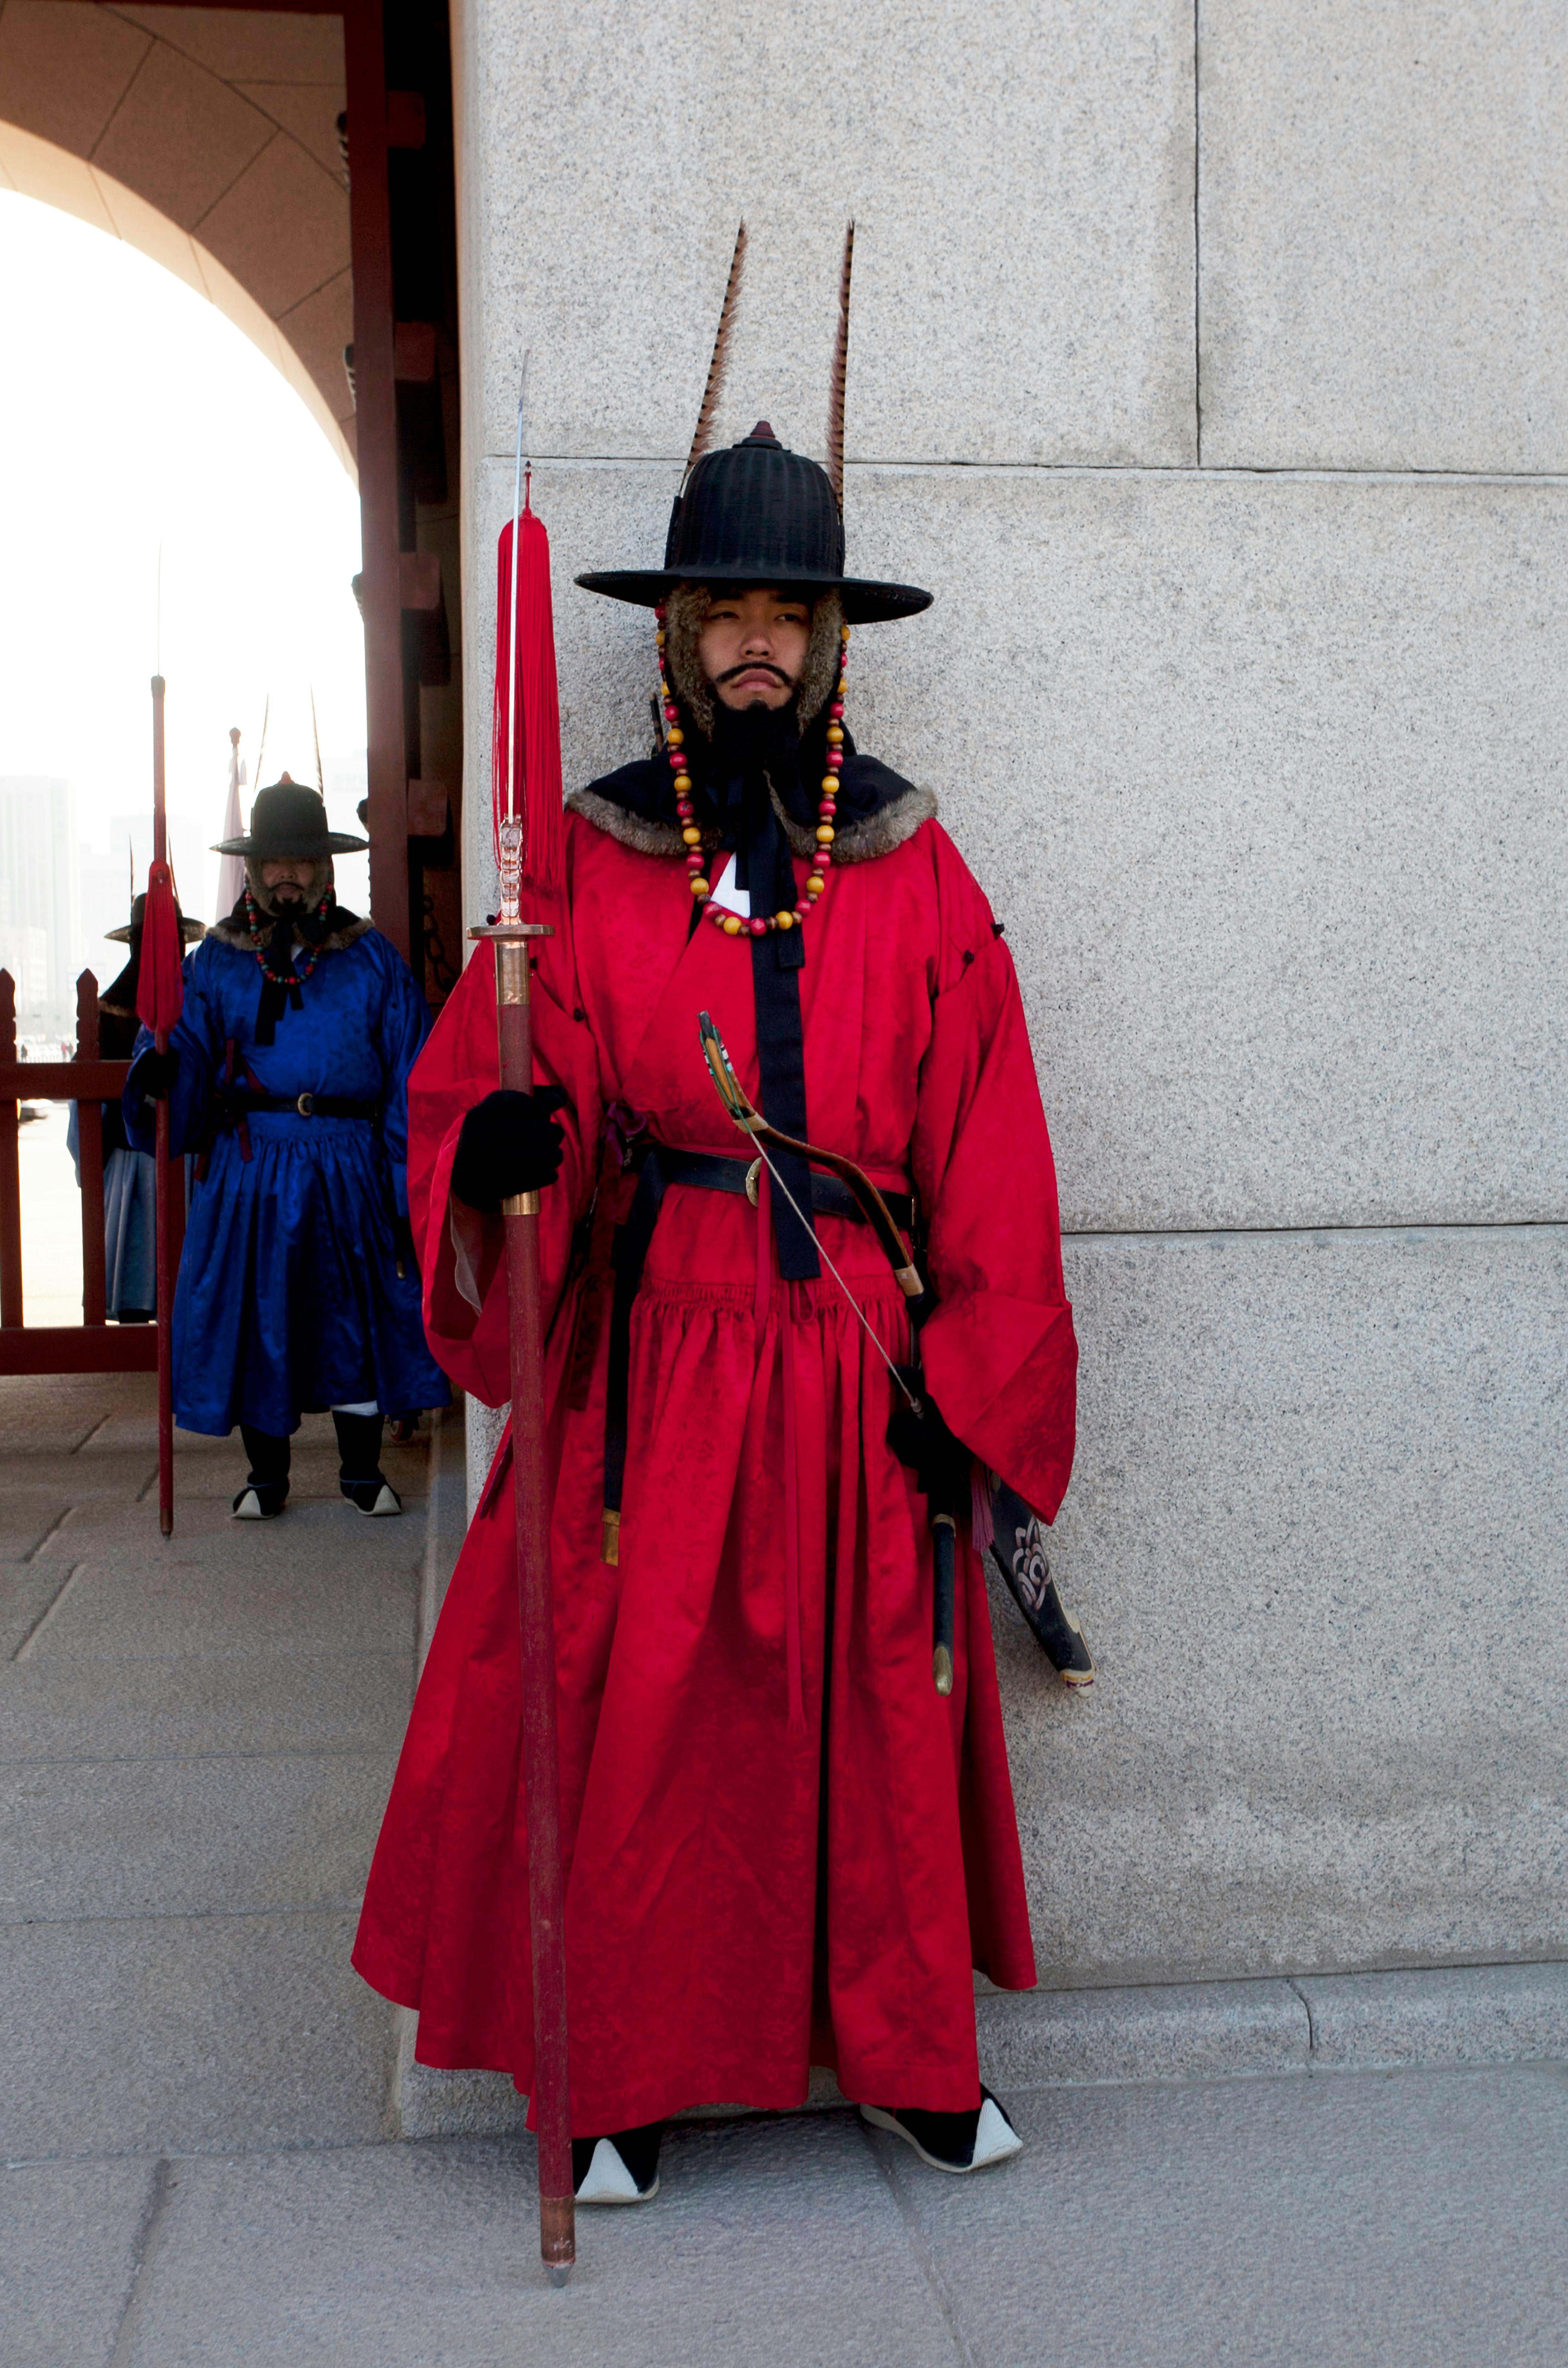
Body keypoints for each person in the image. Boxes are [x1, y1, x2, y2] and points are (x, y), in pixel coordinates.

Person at [353, 416, 1079, 2198]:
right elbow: (494, 1095)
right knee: (653, 1721)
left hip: (860, 1363)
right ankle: (619, 2072)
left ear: (829, 644)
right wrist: (500, 1153)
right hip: (658, 1358)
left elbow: (992, 1145)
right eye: (724, 612)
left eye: (787, 615)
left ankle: (911, 2060)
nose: (756, 642)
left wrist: (970, 1378)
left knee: (882, 1713)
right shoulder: (586, 861)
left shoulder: (917, 864)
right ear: (673, 634)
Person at [124, 776, 449, 1516]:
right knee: (259, 1316)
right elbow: (183, 1050)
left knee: (352, 1315)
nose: (286, 875)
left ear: (325, 866)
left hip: (351, 1162)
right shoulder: (215, 961)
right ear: (253, 866)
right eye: (273, 861)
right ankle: (266, 1476)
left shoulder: (372, 959)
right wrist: (163, 1072)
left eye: (300, 860)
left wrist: (407, 1186)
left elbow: (411, 1073)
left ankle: (360, 1471)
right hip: (251, 1165)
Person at [69, 891, 204, 1323]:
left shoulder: (195, 1003)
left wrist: (89, 1161)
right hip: (159, 1158)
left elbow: (82, 1123)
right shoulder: (110, 1012)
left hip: (160, 1159)